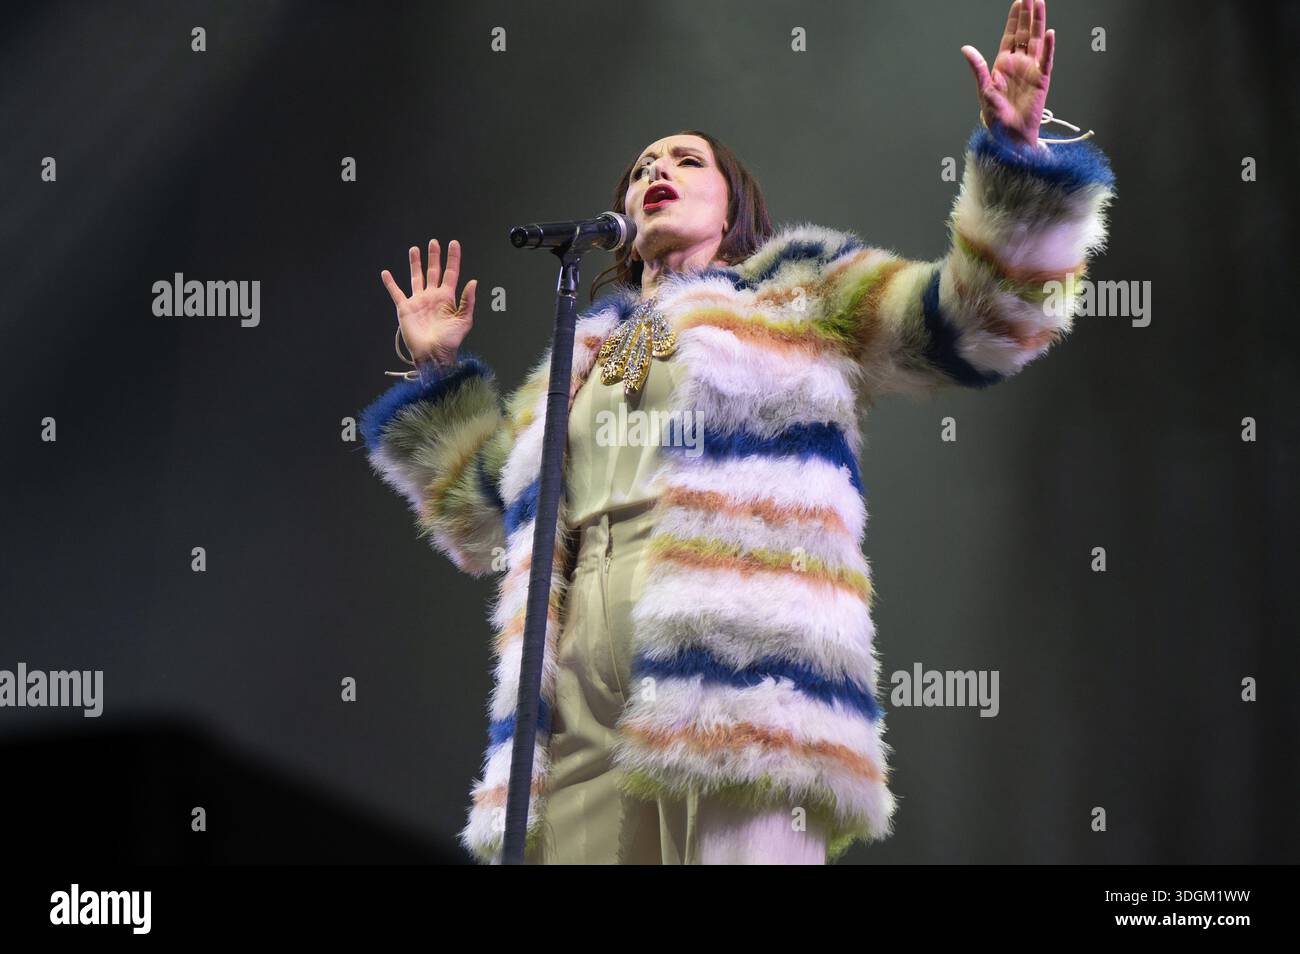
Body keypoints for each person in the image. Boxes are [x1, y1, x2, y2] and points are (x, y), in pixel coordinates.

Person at [359, 0, 1116, 864]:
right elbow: (477, 515)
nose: (658, 168)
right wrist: (435, 374)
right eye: (643, 164)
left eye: (686, 159)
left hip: (738, 675)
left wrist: (1017, 159)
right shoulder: (576, 360)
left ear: (732, 204)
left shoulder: (799, 291)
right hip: (572, 681)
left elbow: (979, 321)